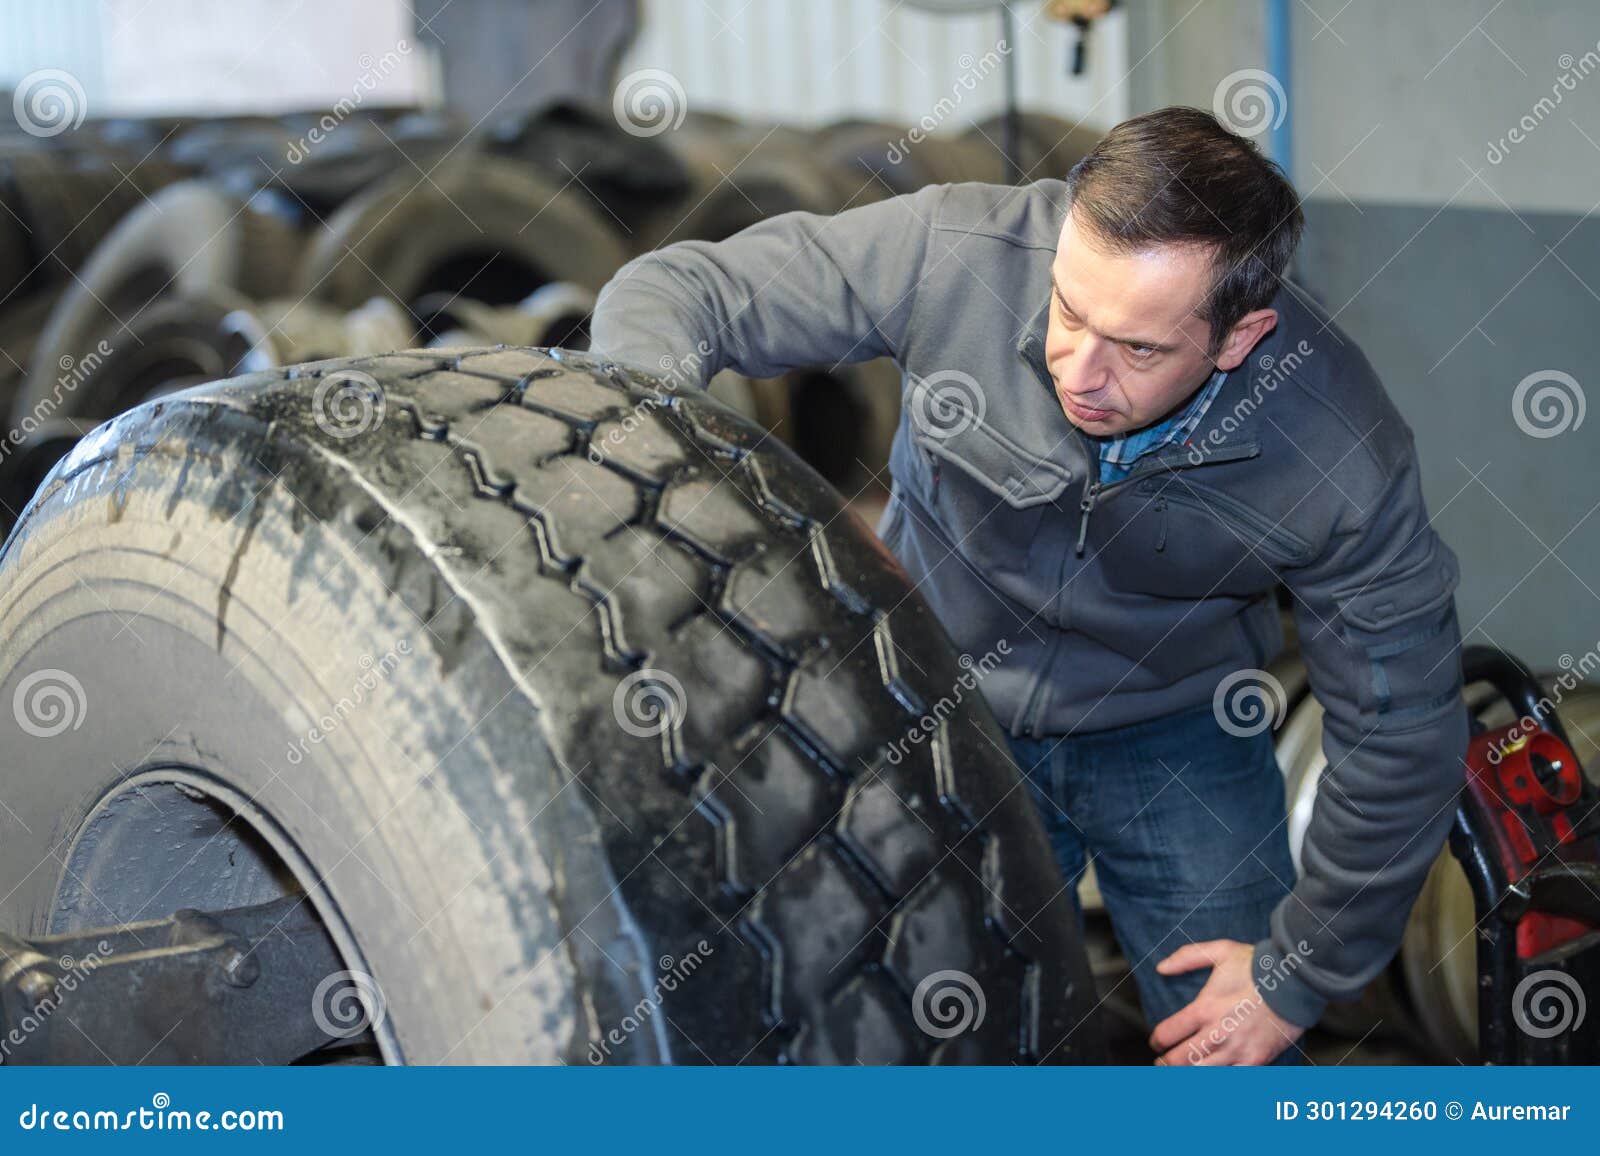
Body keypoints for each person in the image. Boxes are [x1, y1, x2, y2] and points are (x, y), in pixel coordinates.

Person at [589, 106, 1468, 1066]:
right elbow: (686, 288)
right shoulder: (954, 250)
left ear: (1238, 336)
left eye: (1137, 349)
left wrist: (1300, 973)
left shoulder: (1335, 450)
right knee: (922, 1037)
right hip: (943, 710)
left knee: (1228, 1058)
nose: (1078, 373)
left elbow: (1402, 728)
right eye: (1068, 310)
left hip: (1179, 737)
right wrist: (648, 475)